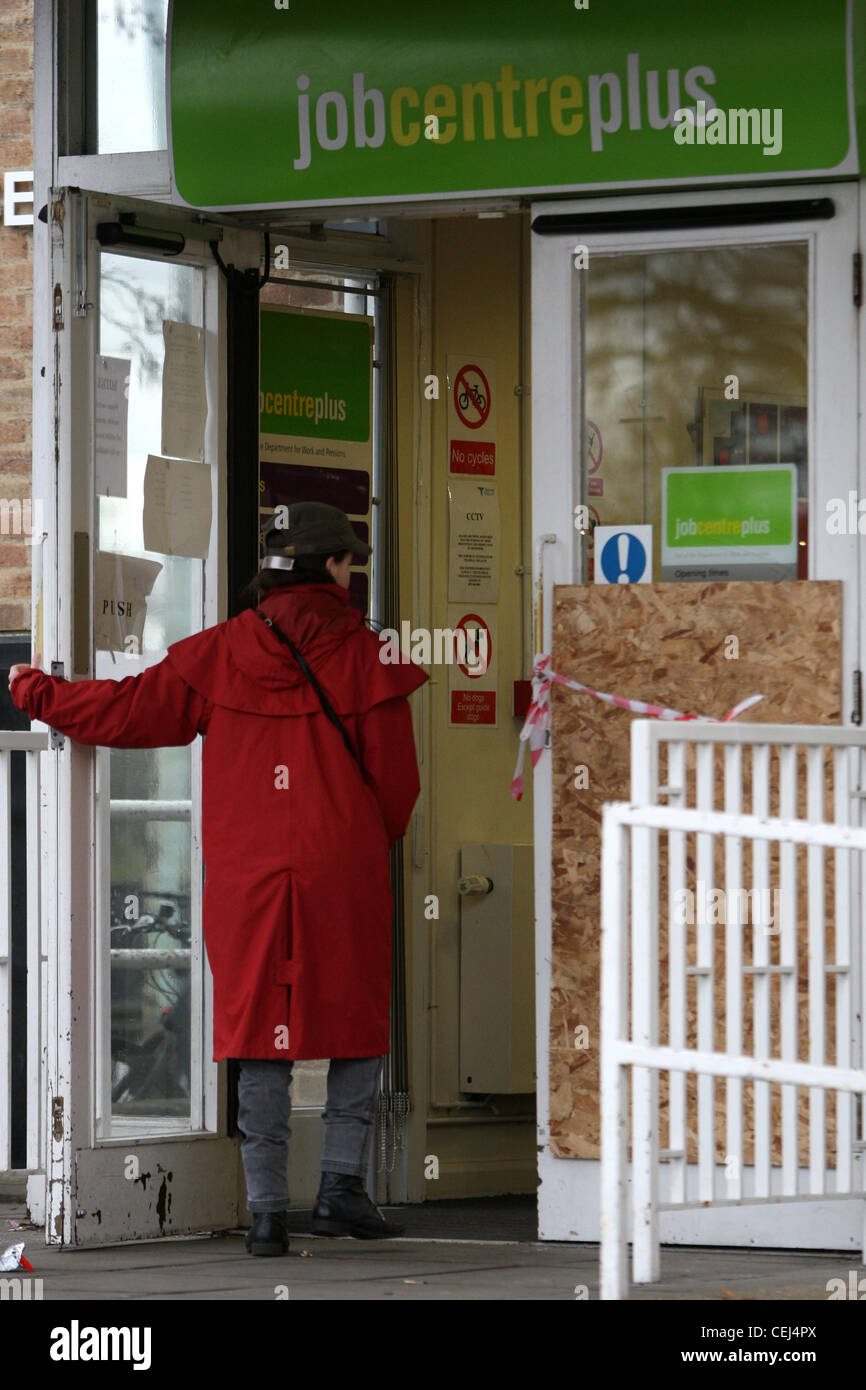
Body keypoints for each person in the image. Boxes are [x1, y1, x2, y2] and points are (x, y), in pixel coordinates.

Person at [9, 502, 428, 1257]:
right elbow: (398, 785)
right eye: (347, 562)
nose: (352, 573)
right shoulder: (366, 655)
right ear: (328, 568)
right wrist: (366, 841)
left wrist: (38, 690)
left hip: (249, 872)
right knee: (358, 1021)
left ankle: (267, 1211)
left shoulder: (220, 651)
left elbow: (125, 712)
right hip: (342, 866)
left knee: (258, 1033)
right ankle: (340, 1189)